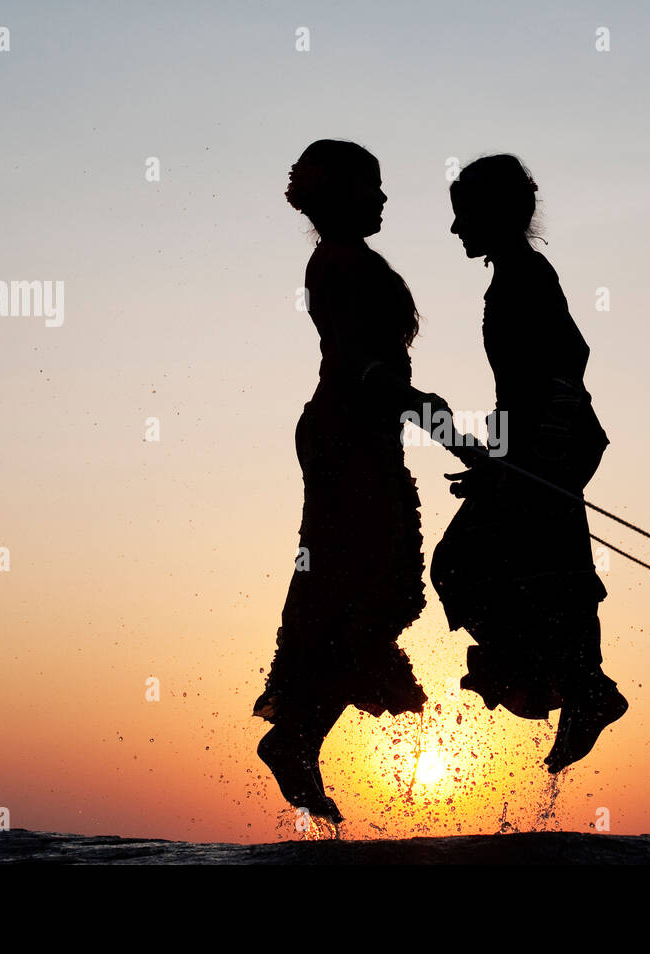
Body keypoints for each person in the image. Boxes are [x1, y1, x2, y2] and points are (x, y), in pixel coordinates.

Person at [253, 140, 452, 822]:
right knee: (368, 593)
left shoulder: (344, 262)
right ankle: (294, 740)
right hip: (348, 437)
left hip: (356, 435)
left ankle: (298, 740)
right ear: (339, 195)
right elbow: (362, 363)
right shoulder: (340, 265)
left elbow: (371, 367)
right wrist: (429, 413)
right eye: (373, 186)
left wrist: (419, 410)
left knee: (368, 593)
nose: (384, 199)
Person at [432, 154, 628, 772]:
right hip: (531, 448)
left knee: (471, 566)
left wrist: (531, 456)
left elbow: (570, 357)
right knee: (536, 568)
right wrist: (499, 460)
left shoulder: (526, 275)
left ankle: (580, 687)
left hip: (550, 447)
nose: (456, 229)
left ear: (493, 215)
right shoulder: (513, 273)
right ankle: (578, 688)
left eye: (463, 216)